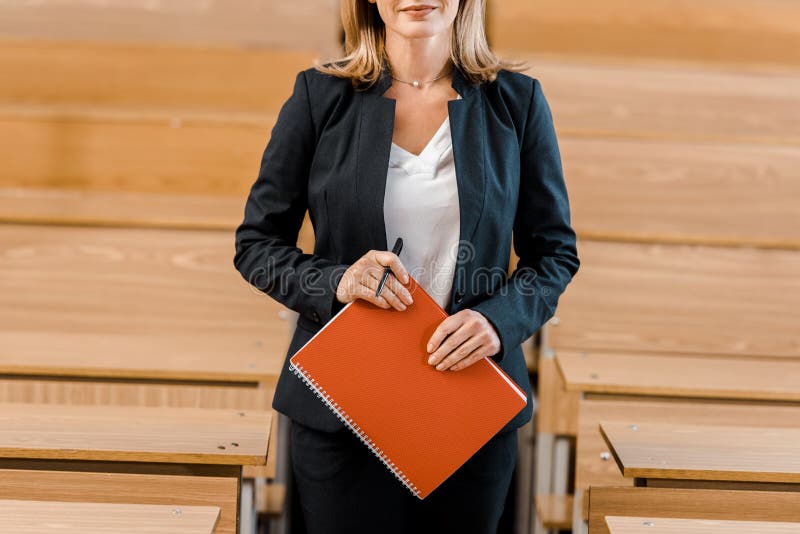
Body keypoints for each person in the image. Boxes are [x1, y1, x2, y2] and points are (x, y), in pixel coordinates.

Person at [232, 0, 580, 532]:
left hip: (468, 404)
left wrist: (498, 321)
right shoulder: (318, 96)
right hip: (344, 407)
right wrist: (337, 281)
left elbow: (553, 253)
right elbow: (257, 244)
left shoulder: (517, 101)